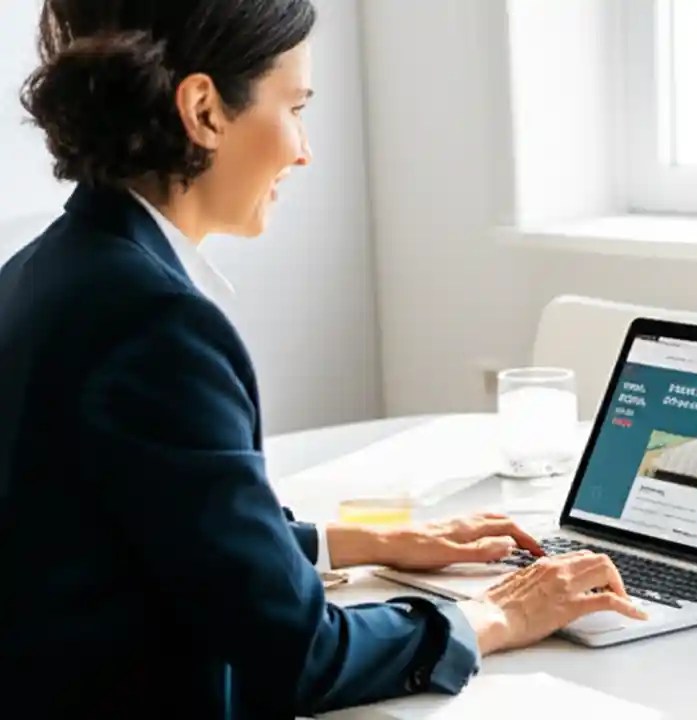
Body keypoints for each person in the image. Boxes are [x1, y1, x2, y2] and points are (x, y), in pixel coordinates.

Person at [0, 1, 644, 716]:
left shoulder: (44, 271)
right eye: (295, 106)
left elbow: (153, 531)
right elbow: (296, 653)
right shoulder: (156, 325)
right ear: (204, 110)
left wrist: (359, 541)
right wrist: (497, 616)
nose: (304, 149)